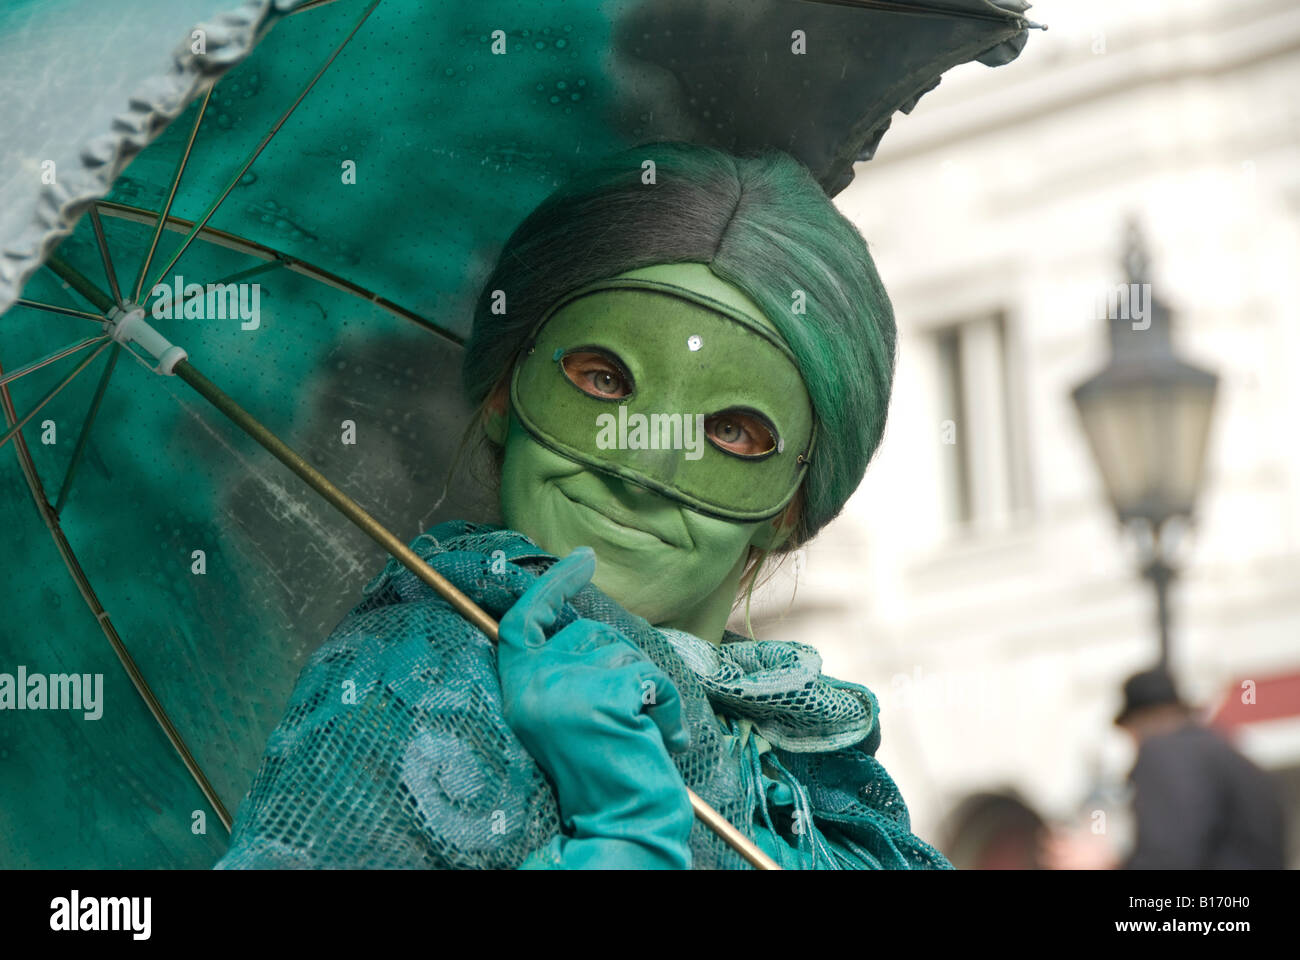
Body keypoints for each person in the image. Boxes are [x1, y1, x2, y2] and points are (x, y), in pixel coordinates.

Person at [214, 140, 951, 870]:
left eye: (731, 430)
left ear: (793, 503)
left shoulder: (813, 793)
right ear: (505, 391)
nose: (643, 471)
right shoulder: (405, 681)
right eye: (603, 380)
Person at [1114, 666, 1286, 870]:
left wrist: (1110, 863)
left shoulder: (1164, 752)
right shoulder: (1231, 756)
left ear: (1143, 721)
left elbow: (1167, 857)